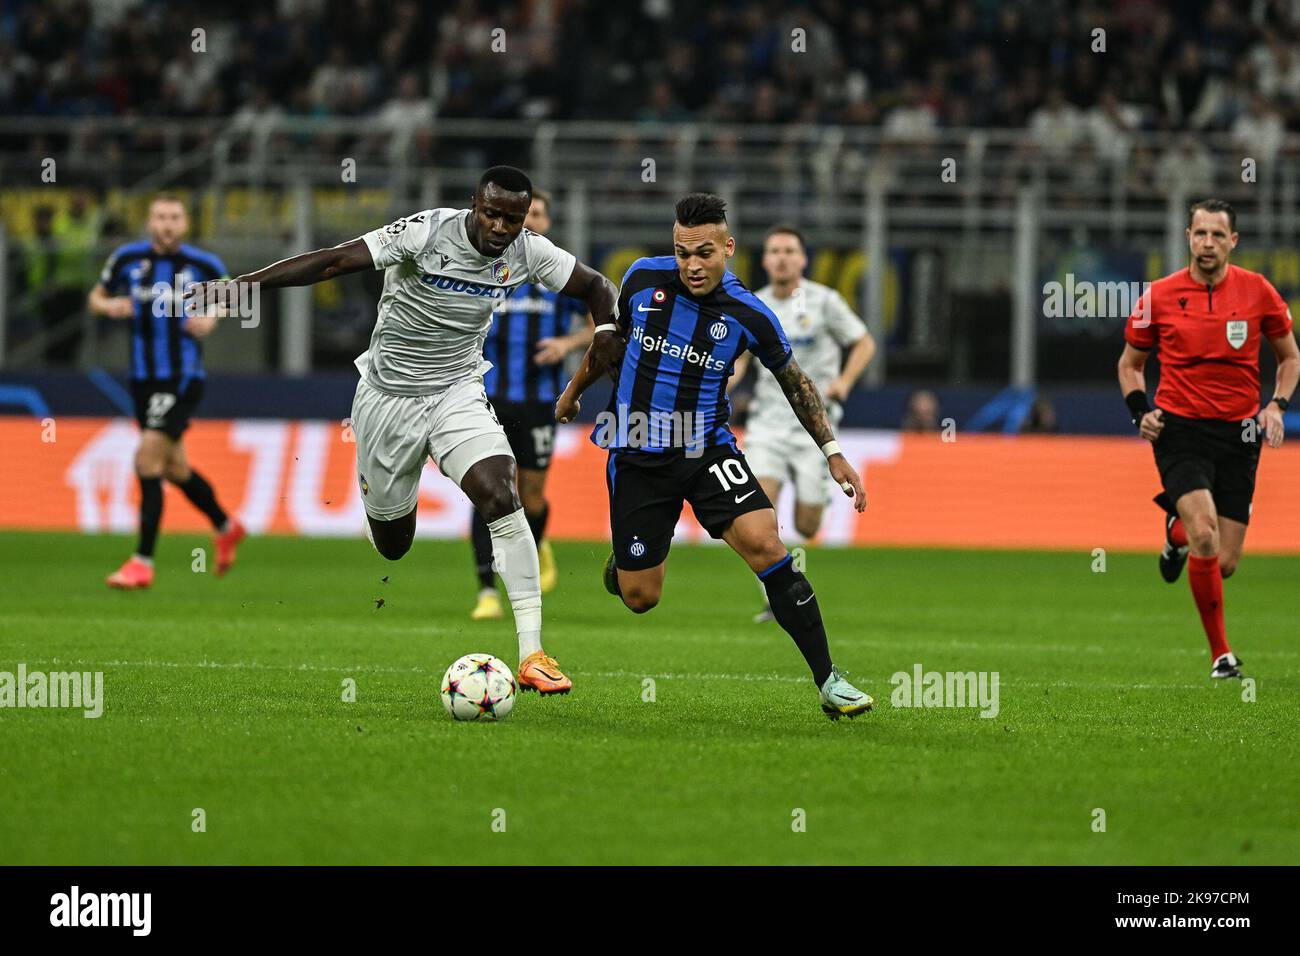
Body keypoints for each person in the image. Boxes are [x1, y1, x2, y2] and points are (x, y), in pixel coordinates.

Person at [189, 166, 618, 695]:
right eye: (492, 214)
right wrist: (241, 287)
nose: (502, 227)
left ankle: (532, 652)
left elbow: (598, 285)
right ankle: (382, 506)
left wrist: (604, 329)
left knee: (501, 494)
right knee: (394, 544)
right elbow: (334, 262)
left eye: (514, 218)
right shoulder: (427, 232)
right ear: (474, 206)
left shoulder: (528, 251)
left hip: (458, 390)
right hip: (388, 399)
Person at [555, 193, 874, 720]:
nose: (692, 265)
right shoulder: (639, 279)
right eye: (682, 253)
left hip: (707, 448)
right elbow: (607, 343)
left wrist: (832, 452)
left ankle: (829, 681)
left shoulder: (751, 314)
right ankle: (629, 562)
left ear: (728, 248)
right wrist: (572, 393)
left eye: (704, 253)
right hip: (637, 451)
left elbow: (796, 383)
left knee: (767, 545)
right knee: (640, 597)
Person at [1117, 198, 1298, 679]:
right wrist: (1141, 412)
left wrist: (1276, 405)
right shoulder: (1158, 295)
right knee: (1206, 535)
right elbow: (1130, 366)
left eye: (1218, 235)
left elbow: (1289, 357)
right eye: (1200, 234)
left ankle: (1174, 536)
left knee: (1227, 560)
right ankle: (1221, 655)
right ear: (1188, 237)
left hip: (1239, 433)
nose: (1208, 243)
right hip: (1181, 429)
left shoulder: (1258, 291)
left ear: (1233, 241)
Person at [88, 193, 245, 589]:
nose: (168, 224)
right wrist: (110, 307)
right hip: (142, 380)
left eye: (175, 217)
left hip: (182, 377)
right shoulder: (127, 259)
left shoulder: (203, 264)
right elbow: (96, 296)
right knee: (175, 468)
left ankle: (142, 562)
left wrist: (211, 317)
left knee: (146, 462)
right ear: (149, 221)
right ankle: (226, 526)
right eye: (161, 217)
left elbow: (237, 296)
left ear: (186, 223)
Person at [729, 224, 875, 622]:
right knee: (759, 515)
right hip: (767, 424)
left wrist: (844, 381)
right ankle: (776, 599)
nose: (781, 257)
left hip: (814, 426)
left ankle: (815, 506)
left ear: (802, 259)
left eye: (789, 250)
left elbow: (863, 341)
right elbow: (739, 358)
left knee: (806, 525)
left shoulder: (825, 301)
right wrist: (728, 380)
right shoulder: (752, 304)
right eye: (774, 250)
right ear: (764, 260)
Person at [469, 188, 592, 620]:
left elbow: (602, 320)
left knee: (533, 496)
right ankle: (487, 589)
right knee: (488, 491)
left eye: (538, 213)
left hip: (541, 399)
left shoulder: (559, 275)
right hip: (488, 397)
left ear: (546, 222)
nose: (532, 220)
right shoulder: (489, 267)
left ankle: (536, 543)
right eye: (527, 213)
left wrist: (568, 343)